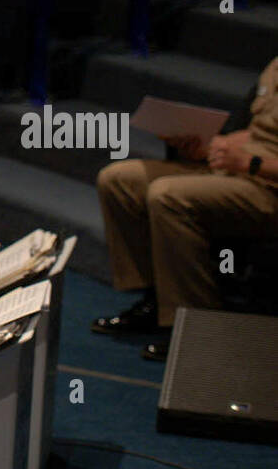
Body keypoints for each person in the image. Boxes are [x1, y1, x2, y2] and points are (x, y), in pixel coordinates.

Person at [94, 57, 278, 360]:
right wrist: (212, 145)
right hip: (240, 169)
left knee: (169, 195)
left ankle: (197, 327)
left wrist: (250, 162)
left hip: (268, 187)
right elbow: (260, 134)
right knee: (119, 180)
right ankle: (156, 301)